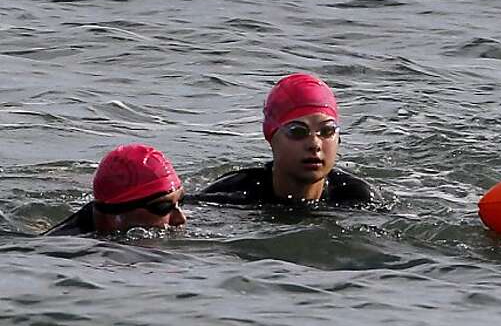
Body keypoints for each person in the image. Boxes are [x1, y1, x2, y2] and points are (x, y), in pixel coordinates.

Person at [190, 73, 374, 207]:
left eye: (327, 131)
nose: (314, 144)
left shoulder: (358, 197)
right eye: (297, 131)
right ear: (270, 136)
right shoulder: (230, 195)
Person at [44, 143, 186, 236]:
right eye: (163, 207)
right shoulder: (63, 250)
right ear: (113, 217)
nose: (181, 218)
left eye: (180, 201)